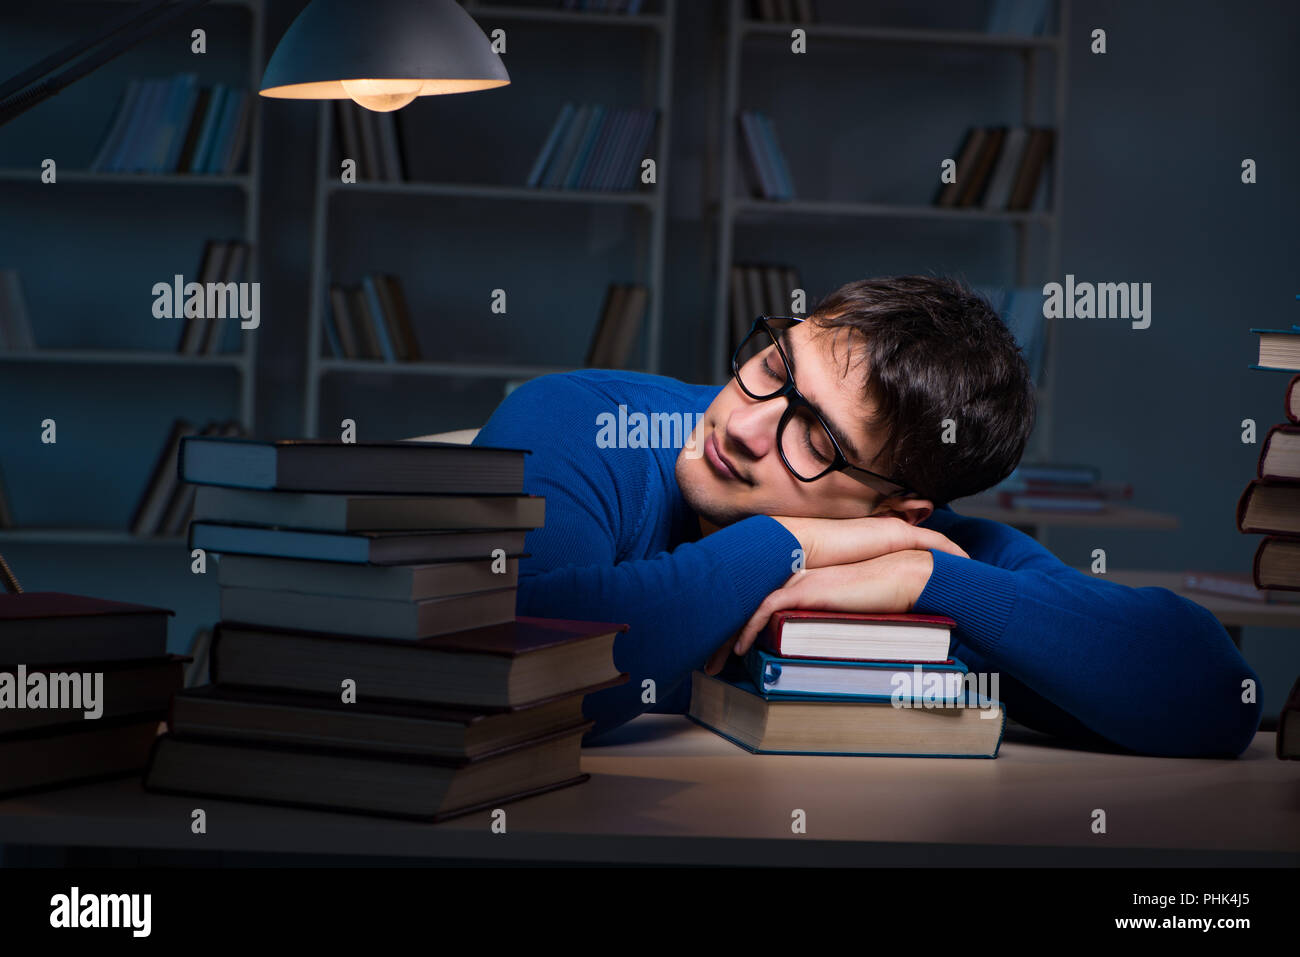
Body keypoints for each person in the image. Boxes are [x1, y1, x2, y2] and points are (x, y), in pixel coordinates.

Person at [472, 275, 1261, 757]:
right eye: (772, 367)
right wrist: (786, 542)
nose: (745, 427)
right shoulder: (577, 421)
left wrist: (927, 579)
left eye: (813, 437)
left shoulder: (920, 548)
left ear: (896, 508)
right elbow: (512, 659)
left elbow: (1219, 697)